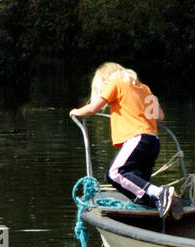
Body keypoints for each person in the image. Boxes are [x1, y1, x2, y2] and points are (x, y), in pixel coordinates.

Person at [70, 62, 176, 217]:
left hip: (137, 138)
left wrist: (76, 111)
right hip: (153, 141)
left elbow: (94, 108)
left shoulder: (116, 83)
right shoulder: (144, 88)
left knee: (115, 173)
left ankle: (159, 193)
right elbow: (159, 116)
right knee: (138, 189)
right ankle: (159, 203)